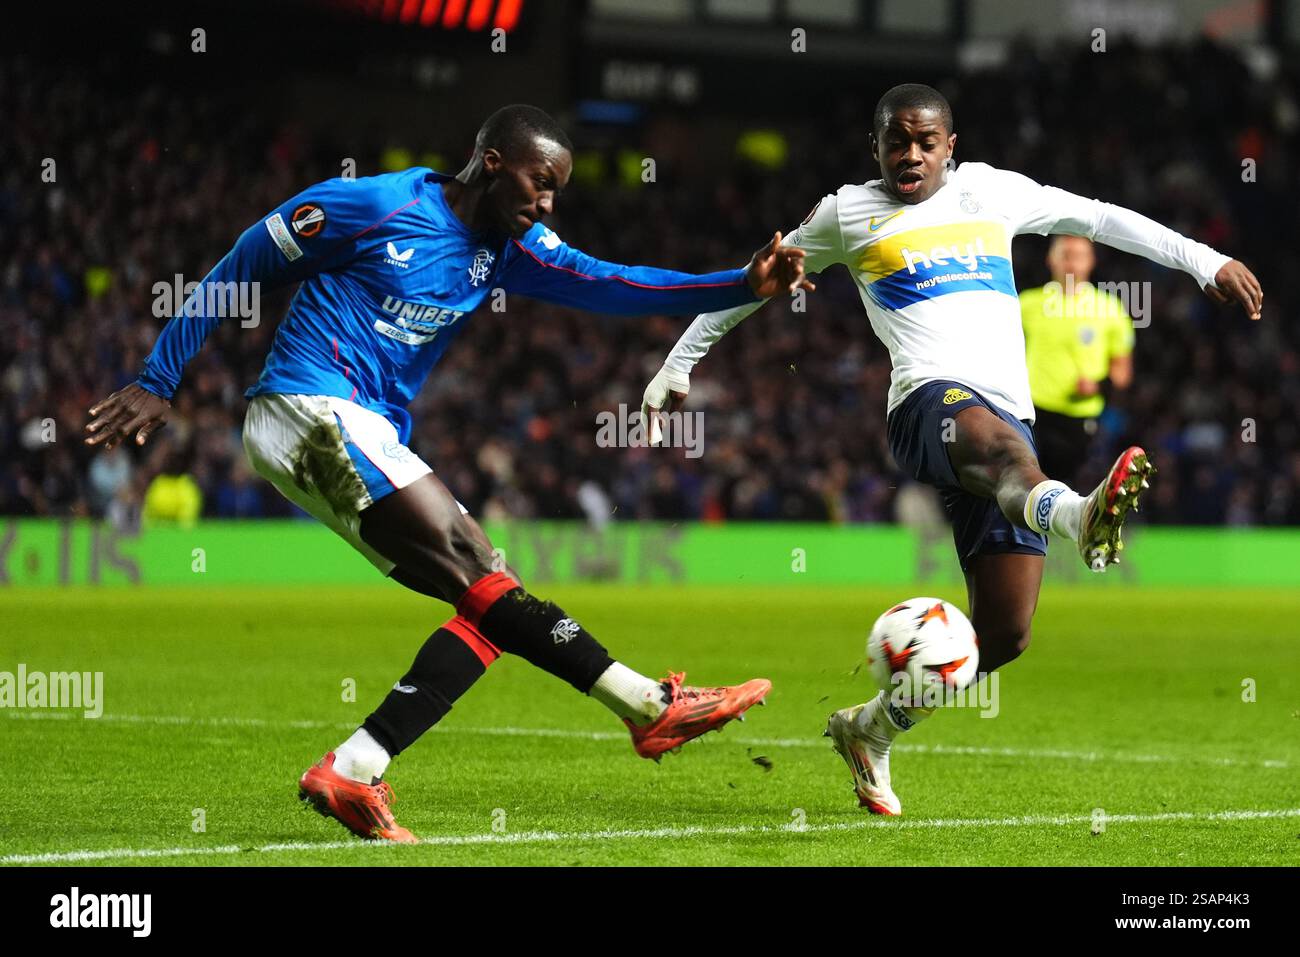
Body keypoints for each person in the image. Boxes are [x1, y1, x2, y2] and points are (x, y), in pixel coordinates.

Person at [84, 104, 810, 843]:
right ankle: (649, 706)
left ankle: (354, 767)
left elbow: (616, 282)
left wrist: (742, 284)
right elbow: (247, 257)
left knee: (492, 602)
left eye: (557, 189)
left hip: (349, 430)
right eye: (539, 181)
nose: (548, 201)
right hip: (309, 406)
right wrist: (159, 376)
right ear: (491, 162)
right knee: (484, 575)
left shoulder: (513, 247)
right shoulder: (374, 205)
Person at [641, 83, 1262, 815]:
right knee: (1005, 455)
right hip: (929, 405)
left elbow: (1097, 216)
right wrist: (678, 365)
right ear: (874, 146)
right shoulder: (847, 211)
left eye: (925, 142)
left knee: (1001, 634)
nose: (910, 154)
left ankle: (869, 730)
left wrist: (1201, 259)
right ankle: (1078, 516)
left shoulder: (991, 192)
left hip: (1007, 421)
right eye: (895, 141)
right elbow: (758, 281)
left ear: (950, 147)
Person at [1020, 236, 1134, 485]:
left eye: (1079, 256)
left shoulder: (1109, 309)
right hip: (1032, 413)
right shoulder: (1026, 304)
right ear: (1051, 259)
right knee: (1028, 488)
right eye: (1065, 255)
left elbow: (1122, 369)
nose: (1071, 263)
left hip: (1081, 417)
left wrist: (1099, 385)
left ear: (1091, 261)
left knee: (1071, 491)